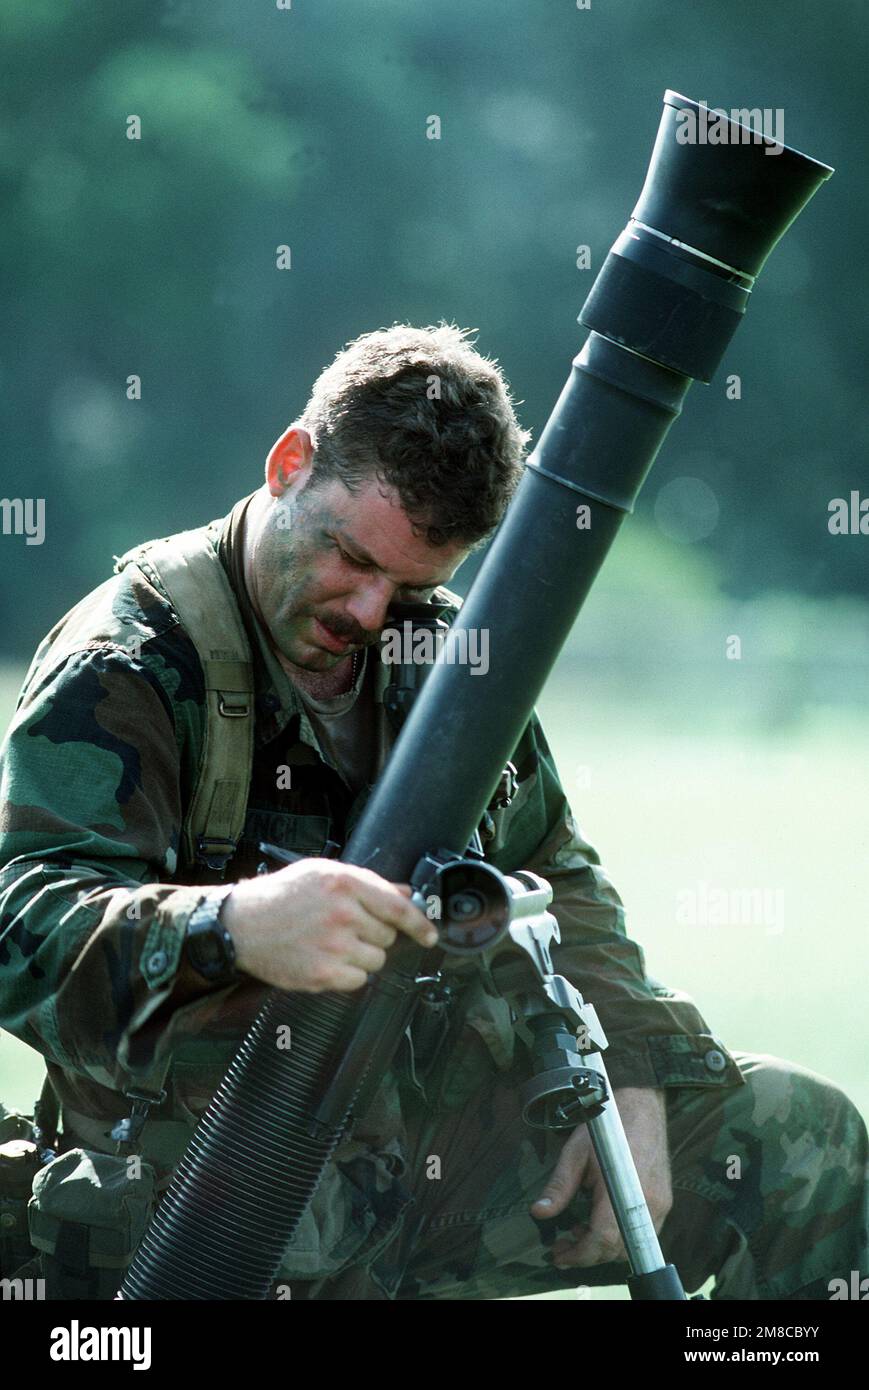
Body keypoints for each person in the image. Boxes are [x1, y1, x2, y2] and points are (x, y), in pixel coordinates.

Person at [0, 324, 865, 1301]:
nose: (371, 612)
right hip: (211, 1192)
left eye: (413, 583)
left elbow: (556, 870)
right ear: (290, 463)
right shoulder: (132, 660)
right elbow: (19, 916)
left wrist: (633, 1065)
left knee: (796, 1140)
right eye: (348, 555)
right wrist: (231, 927)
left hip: (419, 1151)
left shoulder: (437, 649)